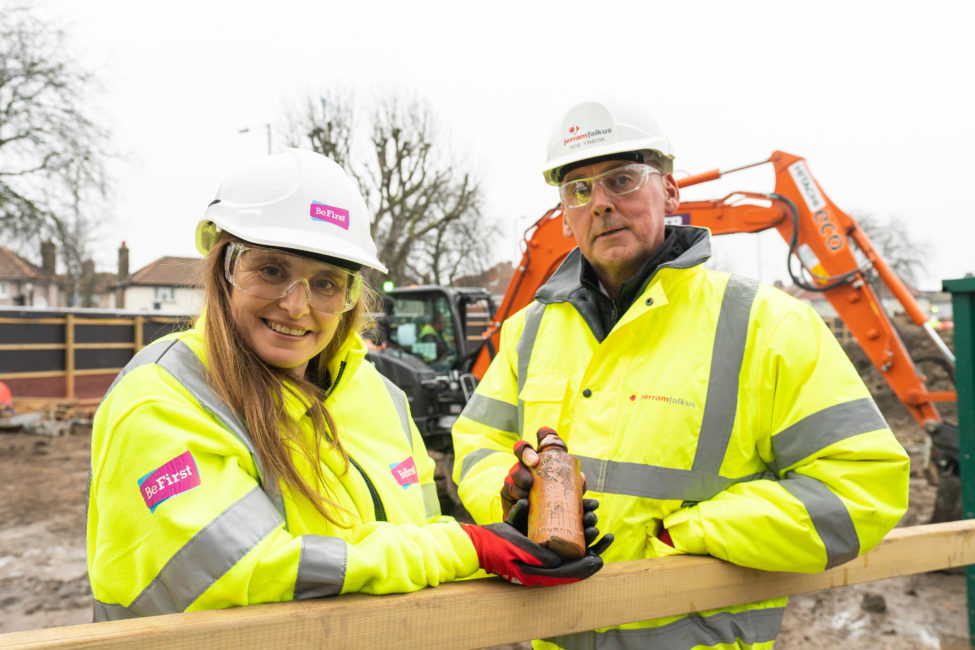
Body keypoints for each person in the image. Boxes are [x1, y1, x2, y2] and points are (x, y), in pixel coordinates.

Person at [451, 101, 910, 649]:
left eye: (621, 180)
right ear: (565, 212)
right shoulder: (529, 330)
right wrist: (511, 496)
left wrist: (680, 532)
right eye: (578, 189)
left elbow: (863, 487)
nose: (599, 204)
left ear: (669, 192)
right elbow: (478, 445)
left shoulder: (768, 325)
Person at [86, 148, 610, 622]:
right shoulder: (166, 395)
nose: (297, 305)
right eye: (270, 270)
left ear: (352, 296)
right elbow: (237, 571)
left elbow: (415, 550)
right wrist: (469, 548)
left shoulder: (381, 397)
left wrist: (512, 526)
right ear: (223, 267)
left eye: (325, 283)